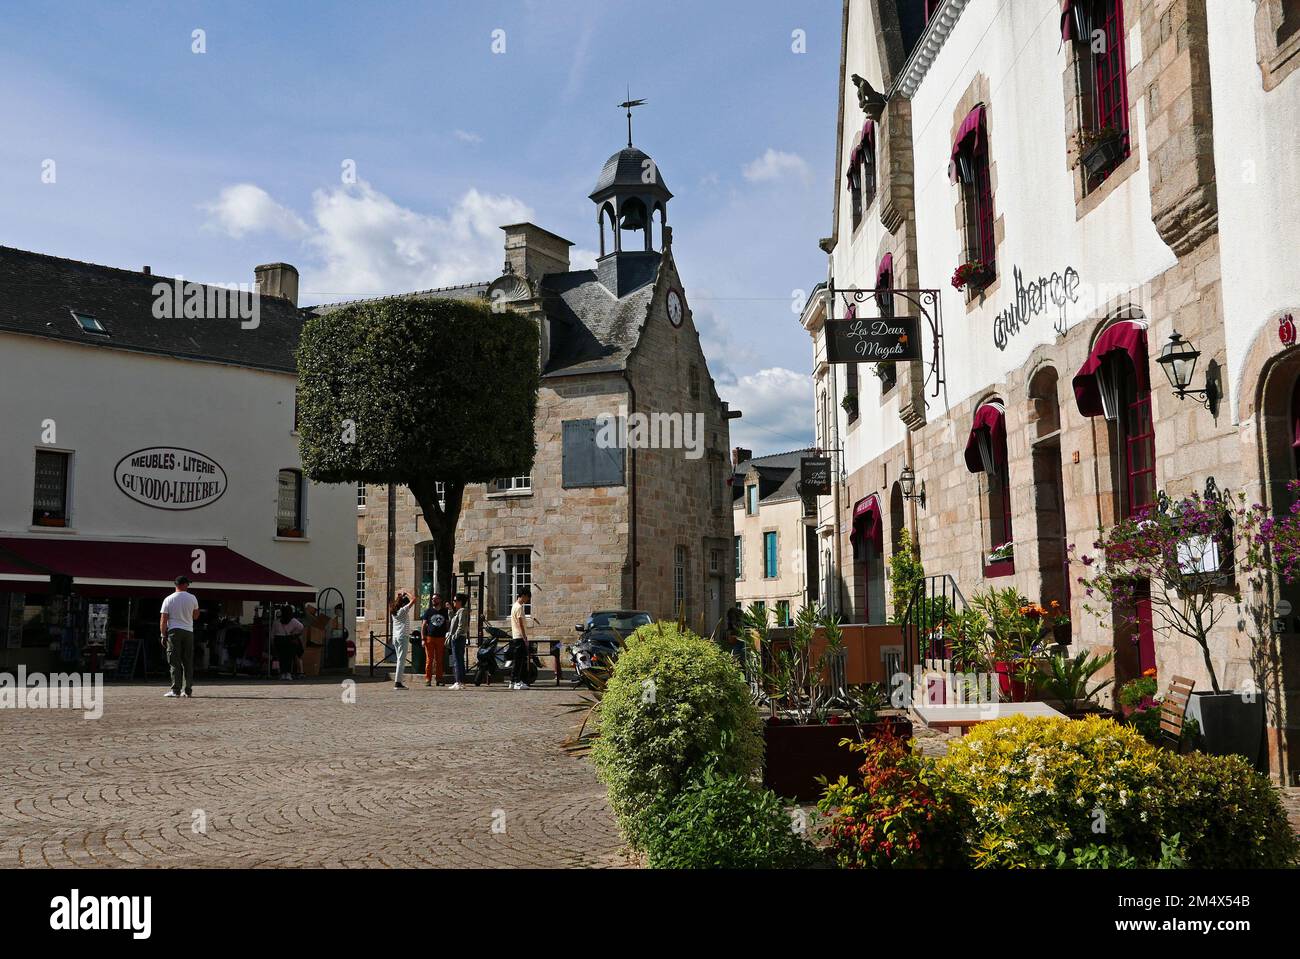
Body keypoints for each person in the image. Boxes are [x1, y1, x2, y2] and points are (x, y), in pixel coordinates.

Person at [160, 576, 201, 698]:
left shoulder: (168, 599)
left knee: (174, 661)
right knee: (187, 661)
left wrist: (163, 634)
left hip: (174, 631)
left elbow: (163, 619)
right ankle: (187, 690)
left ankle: (175, 689)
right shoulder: (192, 598)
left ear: (176, 585)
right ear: (185, 585)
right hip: (188, 631)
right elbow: (195, 616)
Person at [420, 594, 450, 687]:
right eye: (432, 599)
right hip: (430, 638)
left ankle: (439, 679)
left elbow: (447, 624)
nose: (433, 600)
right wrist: (423, 638)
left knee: (439, 660)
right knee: (429, 660)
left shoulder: (445, 612)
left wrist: (447, 635)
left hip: (441, 638)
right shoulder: (428, 611)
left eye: (435, 599)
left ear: (440, 600)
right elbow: (423, 625)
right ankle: (428, 679)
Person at [271, 605, 305, 681]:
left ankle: (283, 674)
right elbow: (301, 627)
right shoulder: (293, 621)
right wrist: (294, 633)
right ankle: (288, 674)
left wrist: (273, 642)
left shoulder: (276, 622)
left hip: (279, 640)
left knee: (282, 658)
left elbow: (272, 634)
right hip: (289, 640)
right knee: (289, 658)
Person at [509, 587, 532, 690]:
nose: (527, 600)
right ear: (523, 596)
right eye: (527, 597)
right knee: (519, 661)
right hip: (519, 637)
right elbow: (520, 624)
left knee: (517, 660)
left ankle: (513, 681)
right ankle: (517, 681)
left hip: (516, 636)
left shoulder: (514, 606)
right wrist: (525, 638)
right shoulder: (519, 607)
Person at [390, 592, 414, 689]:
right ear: (404, 604)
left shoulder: (394, 611)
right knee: (401, 660)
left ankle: (398, 681)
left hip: (395, 636)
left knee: (399, 659)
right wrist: (407, 593)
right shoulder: (403, 611)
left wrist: (400, 596)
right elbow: (414, 599)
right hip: (402, 636)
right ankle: (398, 683)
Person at [446, 593, 469, 690]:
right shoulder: (458, 611)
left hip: (458, 638)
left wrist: (455, 636)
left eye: (455, 601)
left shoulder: (462, 611)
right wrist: (450, 610)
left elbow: (461, 625)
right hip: (458, 637)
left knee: (457, 660)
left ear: (460, 602)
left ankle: (458, 681)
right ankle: (461, 681)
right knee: (459, 660)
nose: (454, 602)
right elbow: (452, 621)